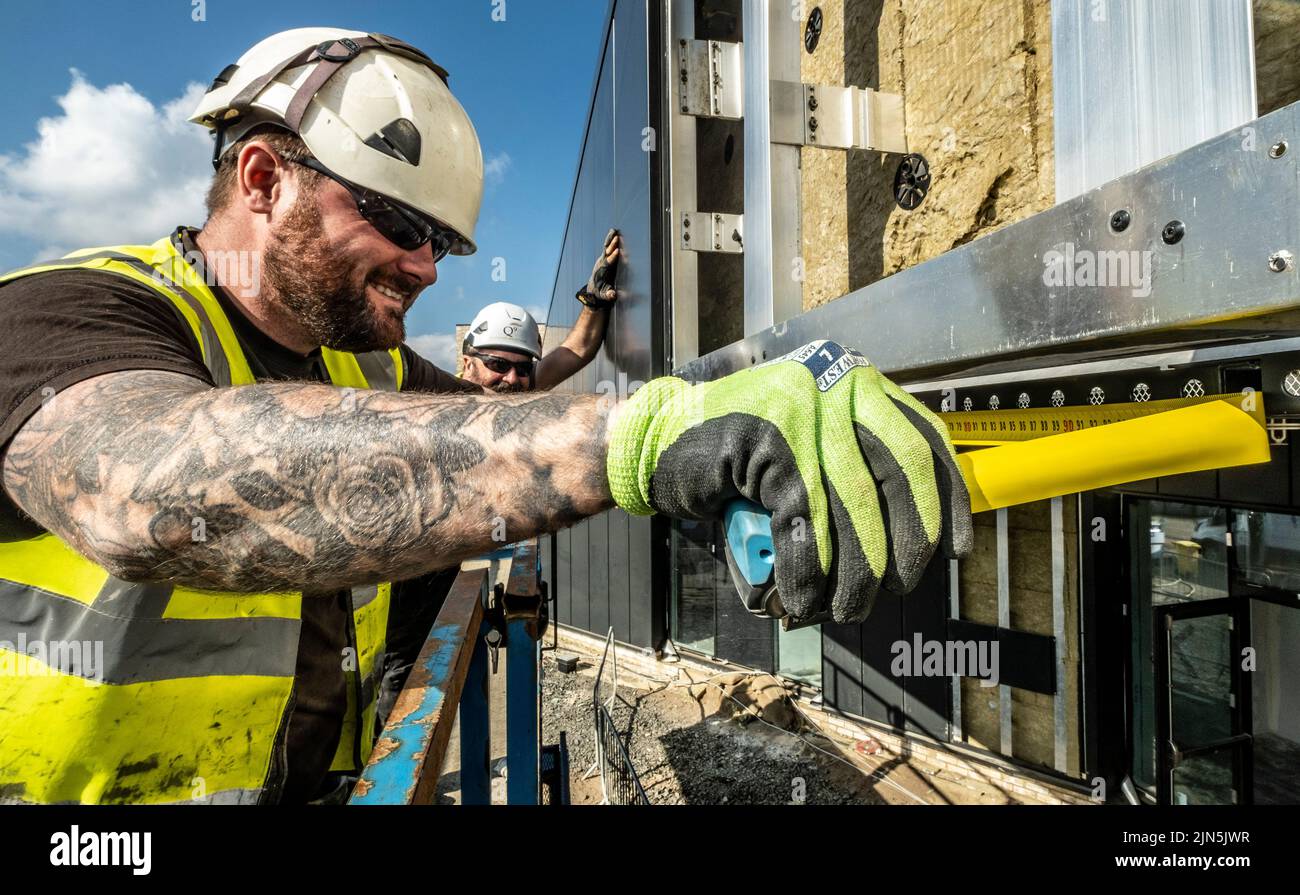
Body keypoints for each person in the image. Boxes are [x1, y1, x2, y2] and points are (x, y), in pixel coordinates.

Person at [0, 27, 971, 805]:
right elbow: (152, 488)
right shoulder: (68, 313)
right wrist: (637, 438)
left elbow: (496, 430)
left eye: (443, 245)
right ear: (262, 179)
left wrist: (650, 398)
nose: (427, 269)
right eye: (403, 226)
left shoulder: (358, 362)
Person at [460, 229, 622, 393]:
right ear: (468, 365)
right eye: (499, 365)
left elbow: (577, 349)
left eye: (524, 368)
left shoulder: (523, 388)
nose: (512, 378)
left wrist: (593, 300)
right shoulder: (439, 393)